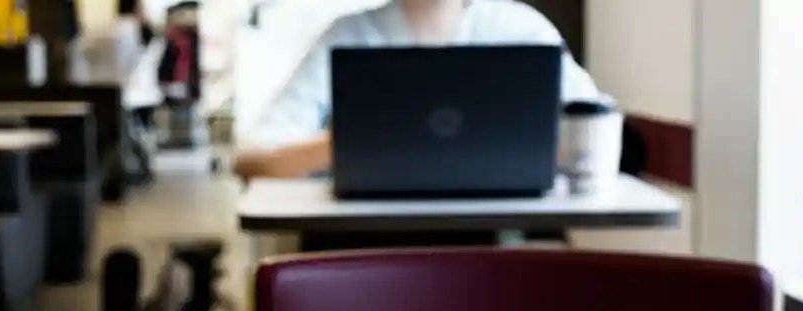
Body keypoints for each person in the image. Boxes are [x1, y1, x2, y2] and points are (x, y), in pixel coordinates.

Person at [234, 0, 600, 180]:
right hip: (362, 243)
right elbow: (251, 160)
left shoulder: (522, 31)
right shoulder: (347, 38)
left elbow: (595, 134)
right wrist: (352, 143)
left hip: (497, 238)